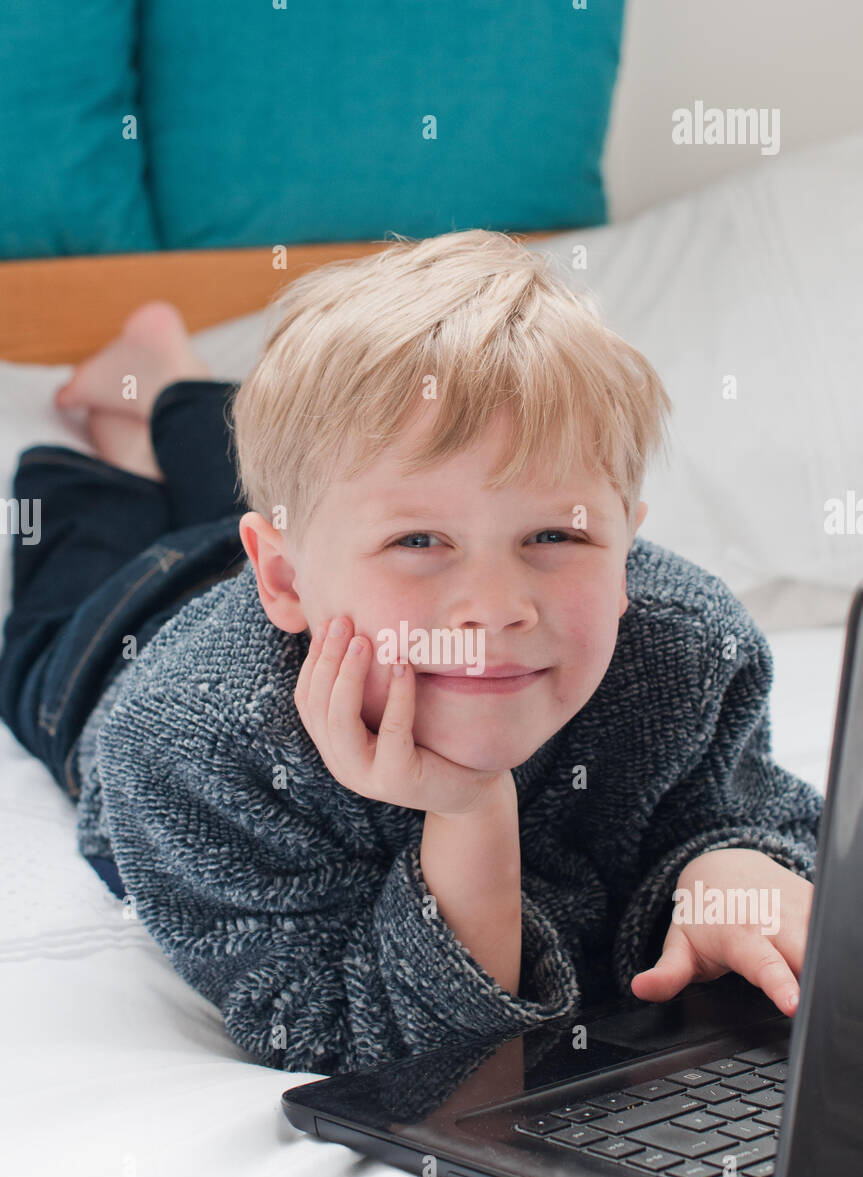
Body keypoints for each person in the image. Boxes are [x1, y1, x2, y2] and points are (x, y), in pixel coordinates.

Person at [0, 230, 821, 1074]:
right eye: (422, 538)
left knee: (272, 493)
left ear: (625, 555)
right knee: (81, 555)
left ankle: (166, 377)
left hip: (328, 563)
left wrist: (728, 867)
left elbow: (738, 810)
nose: (498, 608)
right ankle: (122, 432)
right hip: (121, 633)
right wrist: (467, 811)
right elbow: (356, 1034)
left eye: (554, 534)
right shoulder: (189, 740)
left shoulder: (685, 645)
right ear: (280, 578)